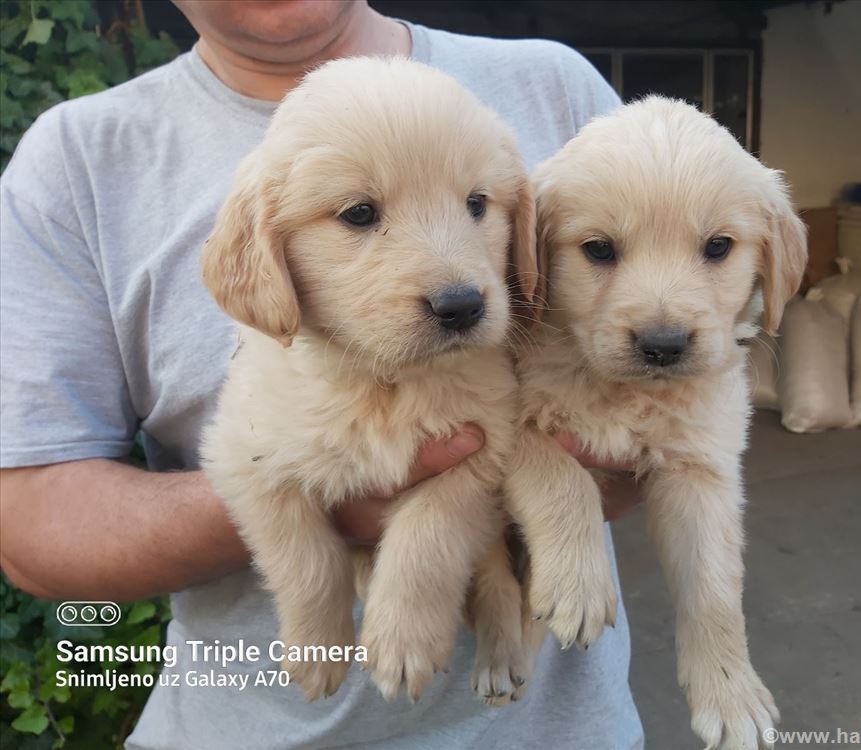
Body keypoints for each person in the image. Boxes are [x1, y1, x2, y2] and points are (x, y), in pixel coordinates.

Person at [0, 2, 644, 748]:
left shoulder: (554, 86)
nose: (456, 282)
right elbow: (28, 525)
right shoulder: (76, 160)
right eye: (360, 214)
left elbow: (654, 377)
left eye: (477, 205)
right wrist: (332, 527)